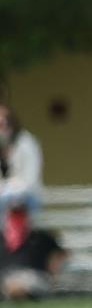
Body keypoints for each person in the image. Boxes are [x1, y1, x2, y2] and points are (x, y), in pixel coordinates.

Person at [0, 104, 45, 244]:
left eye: (3, 121)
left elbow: (31, 178)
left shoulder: (26, 143)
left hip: (27, 196)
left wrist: (13, 188)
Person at [1, 226, 66, 302]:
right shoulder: (3, 236)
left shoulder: (41, 235)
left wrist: (54, 276)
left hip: (35, 276)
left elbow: (60, 254)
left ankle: (21, 294)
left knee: (22, 283)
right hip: (9, 276)